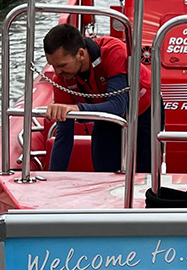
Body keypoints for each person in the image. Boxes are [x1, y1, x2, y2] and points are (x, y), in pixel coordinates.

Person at [42, 23, 160, 173]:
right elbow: (64, 136)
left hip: (144, 111)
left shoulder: (114, 52)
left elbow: (118, 106)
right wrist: (53, 179)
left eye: (62, 65)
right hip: (104, 116)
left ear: (81, 54)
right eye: (53, 66)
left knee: (145, 173)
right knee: (103, 171)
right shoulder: (61, 79)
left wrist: (76, 108)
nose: (57, 72)